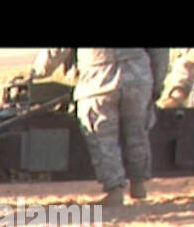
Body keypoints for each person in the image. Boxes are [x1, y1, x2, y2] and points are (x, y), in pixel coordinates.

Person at [32, 48, 167, 205]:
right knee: (137, 133)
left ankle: (115, 190)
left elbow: (57, 51)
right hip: (138, 77)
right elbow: (160, 52)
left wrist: (36, 72)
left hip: (98, 81)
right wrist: (156, 84)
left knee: (103, 138)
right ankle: (139, 185)